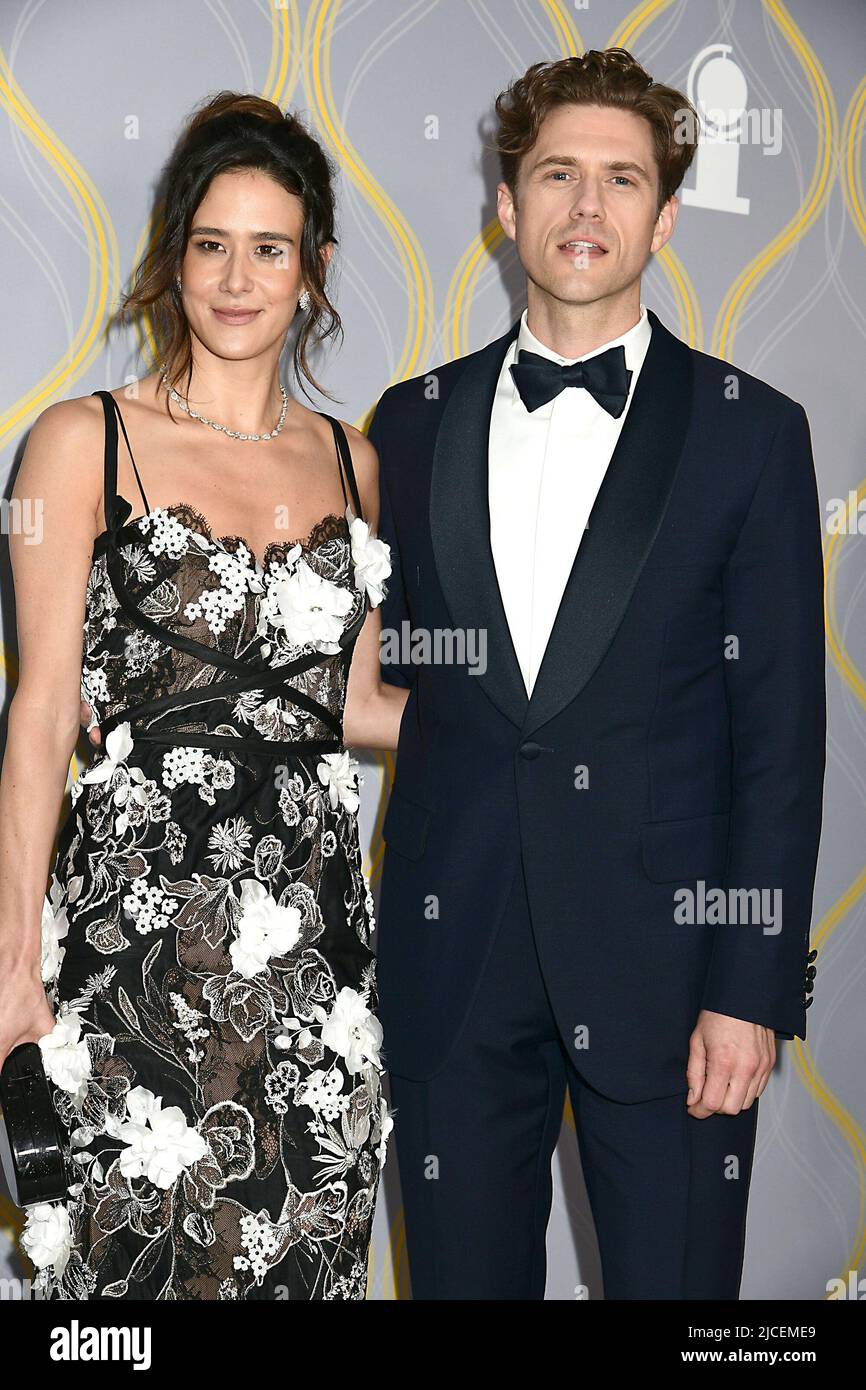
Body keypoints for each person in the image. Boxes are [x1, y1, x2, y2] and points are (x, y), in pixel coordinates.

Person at [367, 49, 826, 1299]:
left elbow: (779, 738)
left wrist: (749, 989)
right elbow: (392, 669)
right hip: (452, 968)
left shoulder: (751, 429)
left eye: (621, 179)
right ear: (504, 205)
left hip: (675, 980)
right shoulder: (409, 421)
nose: (585, 206)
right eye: (554, 174)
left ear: (665, 214)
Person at [1, 92, 406, 1300]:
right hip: (137, 937)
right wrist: (13, 953)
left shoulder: (354, 460)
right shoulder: (83, 442)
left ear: (313, 268)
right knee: (130, 1271)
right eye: (210, 244)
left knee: (304, 1241)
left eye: (269, 249)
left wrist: (564, 719)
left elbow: (361, 703)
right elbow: (39, 713)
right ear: (173, 254)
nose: (237, 279)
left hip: (314, 943)